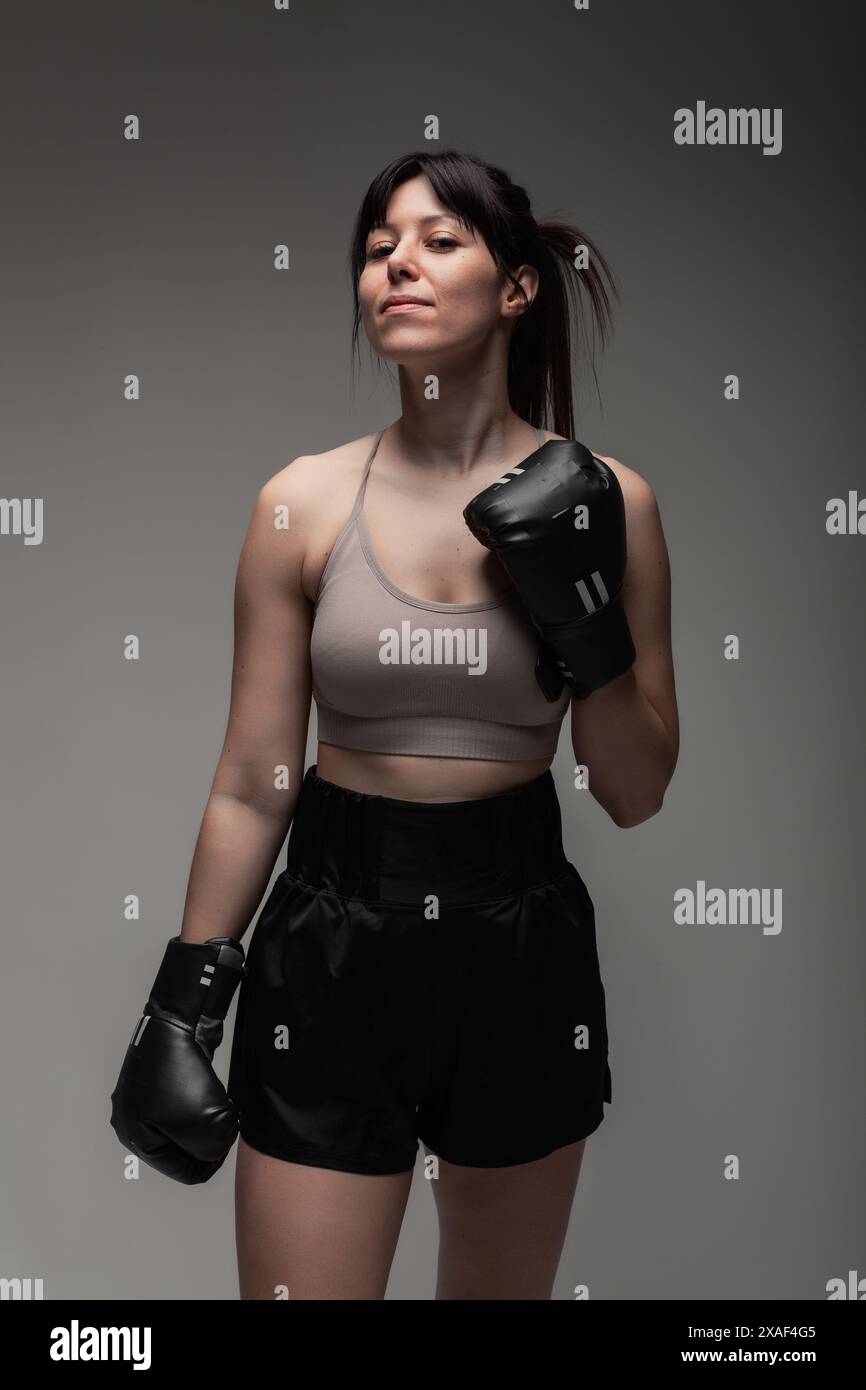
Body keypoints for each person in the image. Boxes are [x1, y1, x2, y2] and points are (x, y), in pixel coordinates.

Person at [110, 148, 679, 1300]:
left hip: (517, 936)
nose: (395, 268)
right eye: (376, 250)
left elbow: (630, 787)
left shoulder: (610, 503)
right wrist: (183, 1002)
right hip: (329, 929)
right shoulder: (303, 502)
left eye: (436, 241)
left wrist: (583, 615)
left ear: (515, 289)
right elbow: (253, 779)